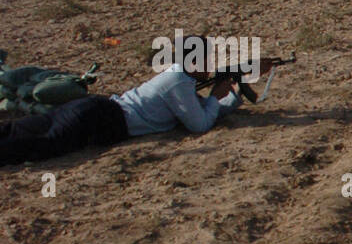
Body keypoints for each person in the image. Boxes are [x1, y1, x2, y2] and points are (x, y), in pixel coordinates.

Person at [0, 50, 272, 167]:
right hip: (102, 118)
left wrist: (234, 93)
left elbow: (204, 113)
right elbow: (199, 125)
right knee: (45, 145)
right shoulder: (177, 81)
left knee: (23, 129)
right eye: (206, 61)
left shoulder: (181, 78)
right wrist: (216, 95)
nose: (210, 66)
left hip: (97, 111)